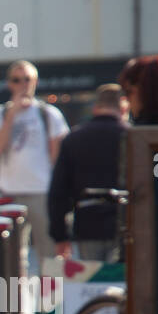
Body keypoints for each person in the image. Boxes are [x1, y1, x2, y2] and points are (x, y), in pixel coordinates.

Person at [0, 60, 69, 275]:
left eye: (27, 79)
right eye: (16, 80)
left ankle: (50, 308)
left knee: (49, 256)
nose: (23, 84)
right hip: (9, 193)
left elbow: (57, 156)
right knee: (11, 257)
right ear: (9, 84)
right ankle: (17, 307)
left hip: (41, 192)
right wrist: (12, 114)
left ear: (35, 82)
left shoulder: (49, 114)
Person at [48, 85, 129, 263]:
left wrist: (60, 235)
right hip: (126, 222)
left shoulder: (73, 138)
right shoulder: (133, 137)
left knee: (93, 283)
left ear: (95, 108)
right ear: (124, 108)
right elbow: (157, 175)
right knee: (125, 282)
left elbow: (58, 191)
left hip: (88, 222)